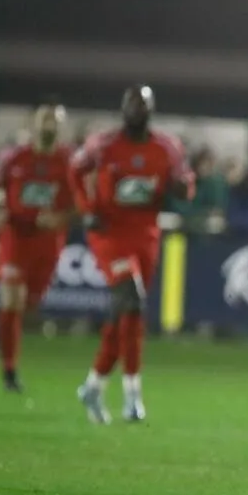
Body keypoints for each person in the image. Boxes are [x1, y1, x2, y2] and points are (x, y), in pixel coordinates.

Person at [69, 85, 193, 423]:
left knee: (124, 315)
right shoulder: (103, 143)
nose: (136, 111)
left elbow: (186, 183)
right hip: (110, 234)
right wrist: (86, 208)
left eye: (143, 105)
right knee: (133, 301)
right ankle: (132, 395)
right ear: (123, 109)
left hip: (145, 235)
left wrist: (182, 189)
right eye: (132, 105)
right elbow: (75, 171)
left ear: (151, 110)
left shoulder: (166, 147)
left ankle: (93, 386)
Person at [0, 99, 74, 392]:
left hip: (47, 242)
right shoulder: (14, 158)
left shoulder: (69, 162)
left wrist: (59, 217)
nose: (49, 125)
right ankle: (10, 372)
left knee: (26, 307)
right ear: (33, 123)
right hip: (15, 236)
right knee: (11, 300)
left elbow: (81, 203)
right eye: (45, 119)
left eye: (54, 120)